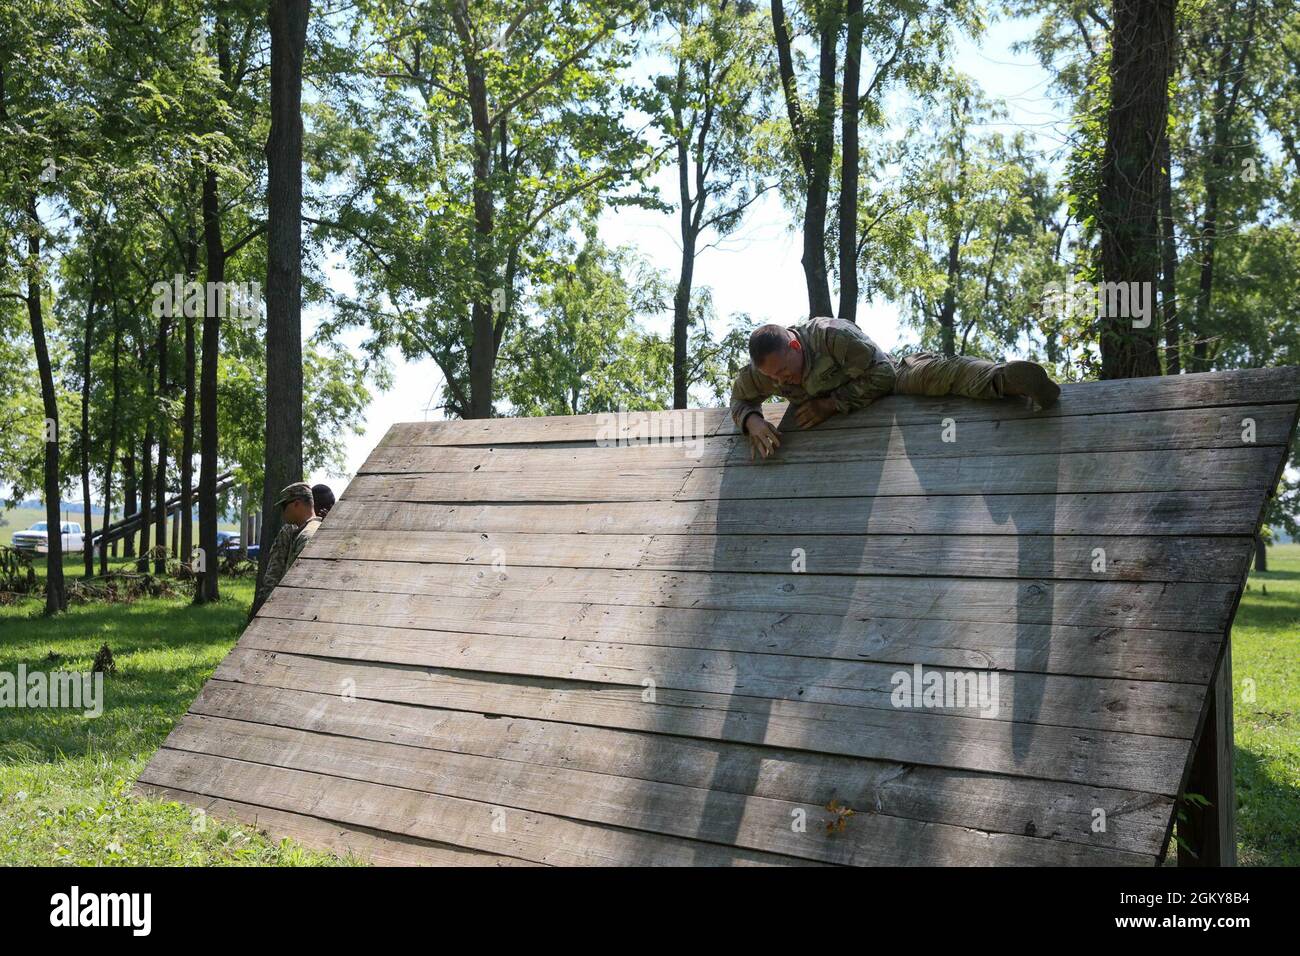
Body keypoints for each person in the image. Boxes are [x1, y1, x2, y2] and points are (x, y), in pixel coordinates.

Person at [731, 317, 1061, 460]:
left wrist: (831, 405)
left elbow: (883, 375)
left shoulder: (832, 335)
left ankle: (1008, 379)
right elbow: (740, 396)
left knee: (934, 376)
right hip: (855, 409)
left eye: (785, 373)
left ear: (795, 345)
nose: (781, 382)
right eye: (773, 379)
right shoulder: (771, 370)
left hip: (887, 381)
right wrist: (752, 421)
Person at [254, 482, 323, 608]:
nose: (282, 512)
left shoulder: (307, 536)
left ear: (296, 504)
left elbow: (299, 584)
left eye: (284, 506)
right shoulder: (302, 532)